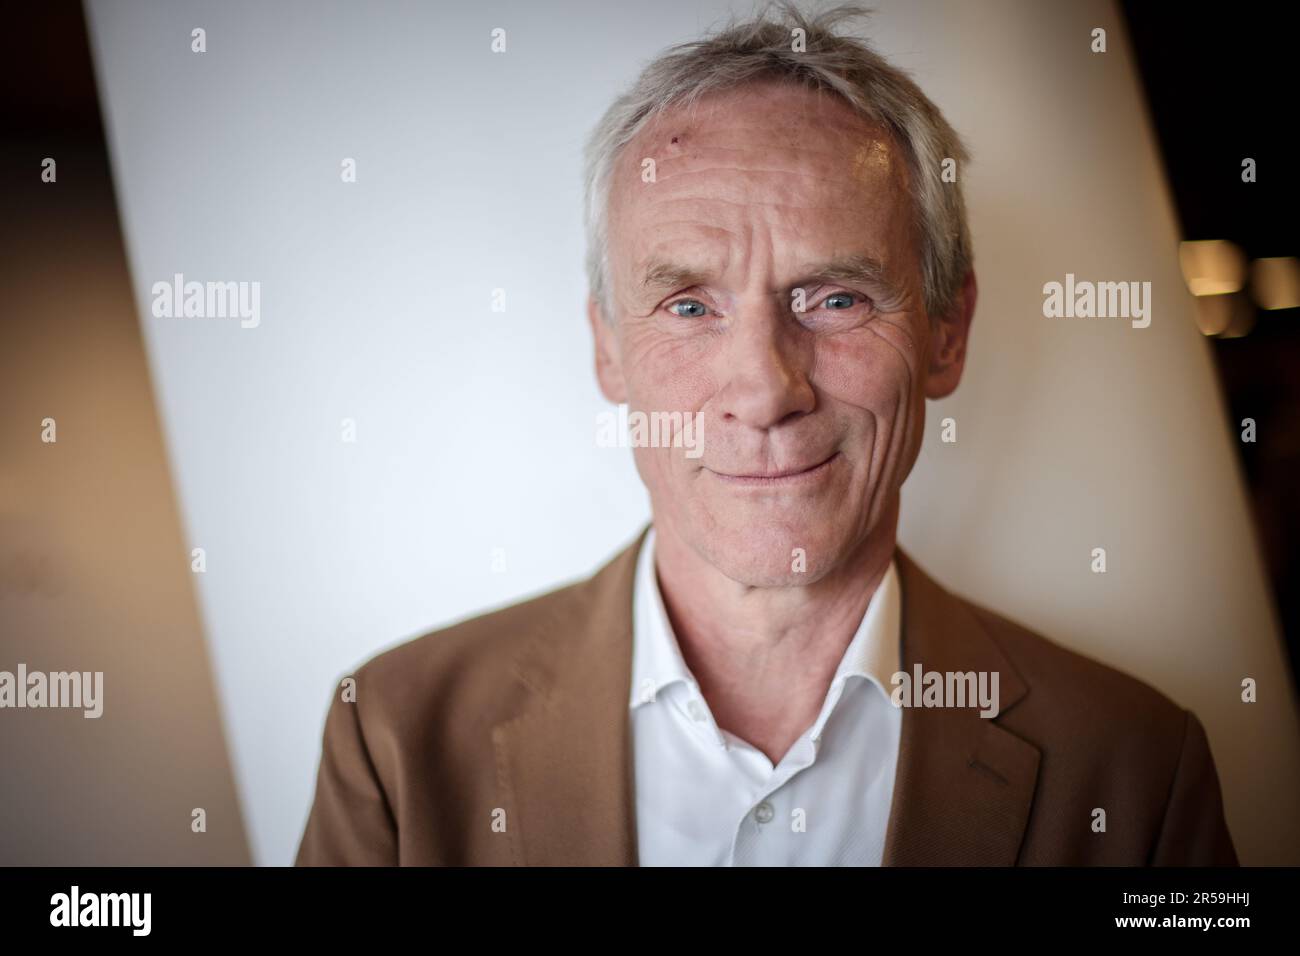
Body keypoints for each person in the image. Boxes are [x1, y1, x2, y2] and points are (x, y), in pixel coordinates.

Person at [296, 1, 1236, 866]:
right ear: (608, 348)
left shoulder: (1137, 771)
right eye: (689, 304)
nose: (765, 389)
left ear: (947, 333)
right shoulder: (392, 743)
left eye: (835, 298)